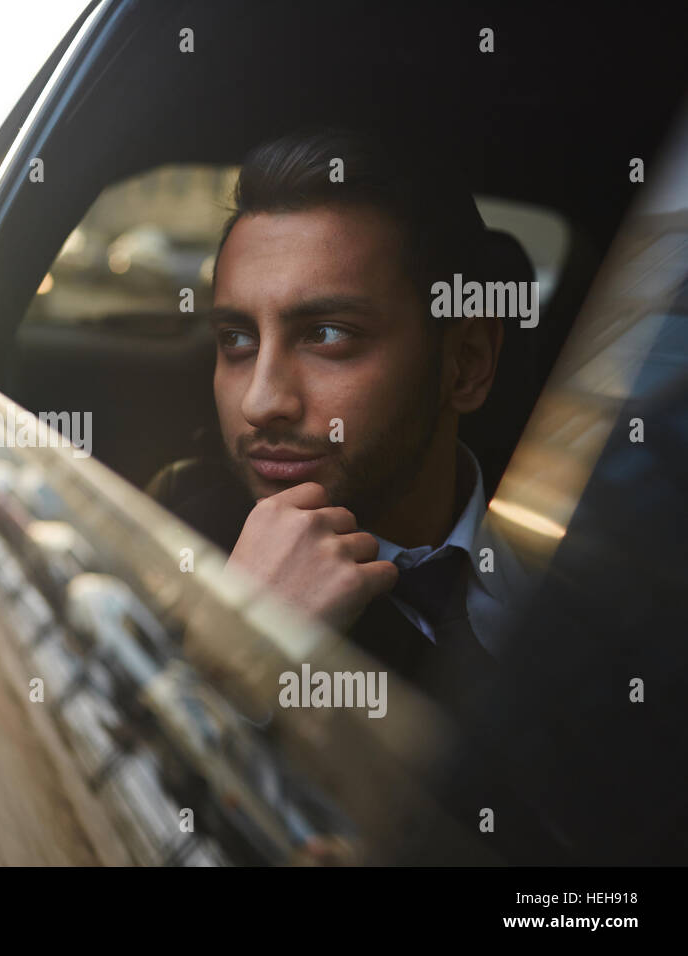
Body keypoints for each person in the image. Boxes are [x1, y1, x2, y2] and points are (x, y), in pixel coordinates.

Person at [149, 128, 534, 689]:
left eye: (327, 334)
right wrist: (238, 652)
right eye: (237, 339)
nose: (260, 402)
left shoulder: (593, 565)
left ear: (466, 364)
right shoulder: (168, 542)